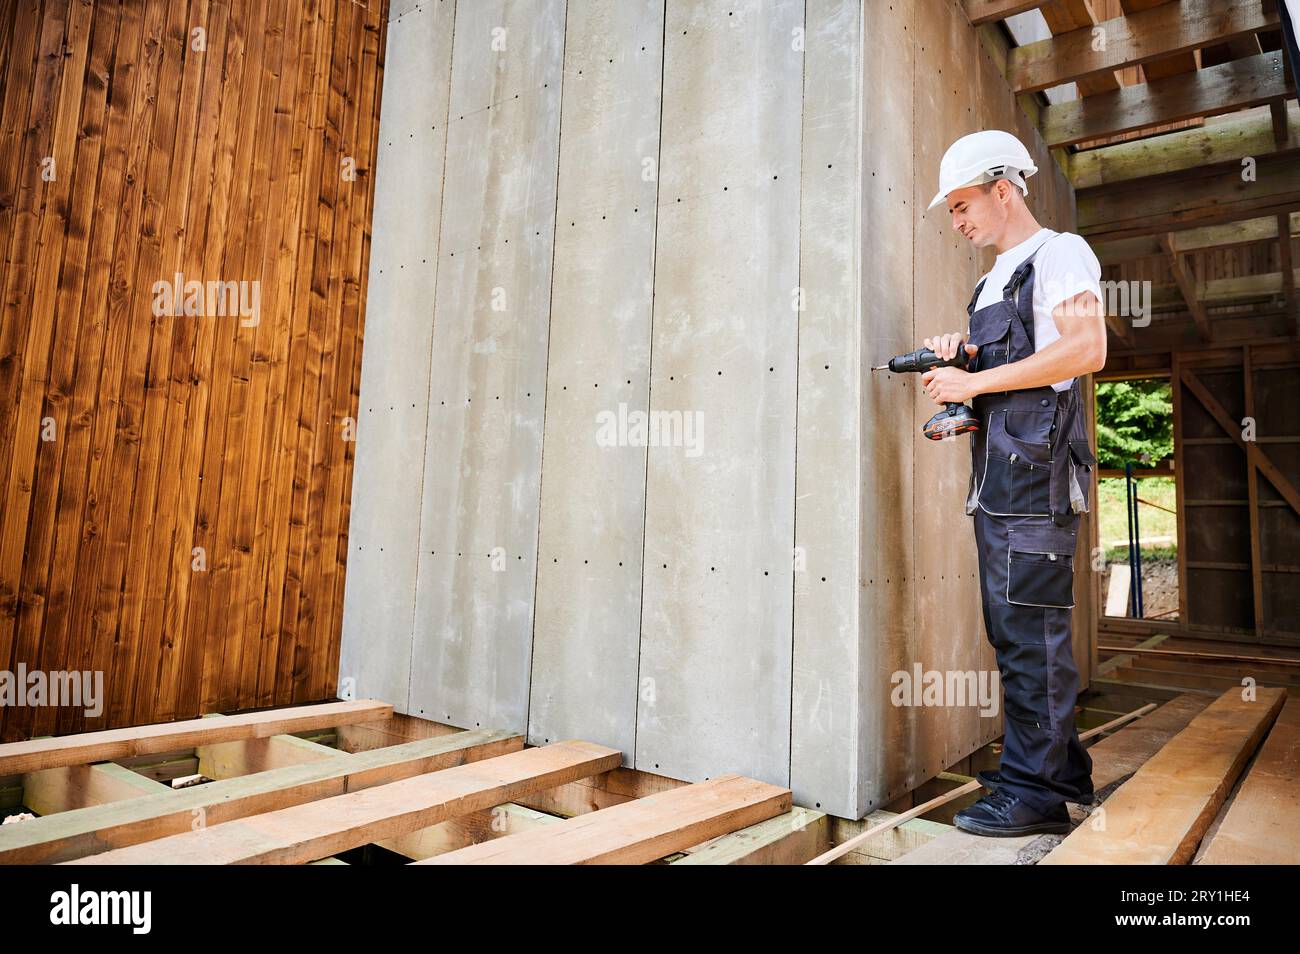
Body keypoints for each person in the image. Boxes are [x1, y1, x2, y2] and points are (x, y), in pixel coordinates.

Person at [919, 130, 1108, 837]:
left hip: (1038, 485)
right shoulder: (989, 282)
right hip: (998, 482)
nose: (959, 221)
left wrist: (977, 378)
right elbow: (1012, 373)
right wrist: (962, 374)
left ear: (1004, 190)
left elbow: (1085, 350)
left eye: (964, 204)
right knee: (1012, 629)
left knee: (1034, 632)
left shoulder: (1060, 253)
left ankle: (1036, 796)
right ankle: (1053, 770)